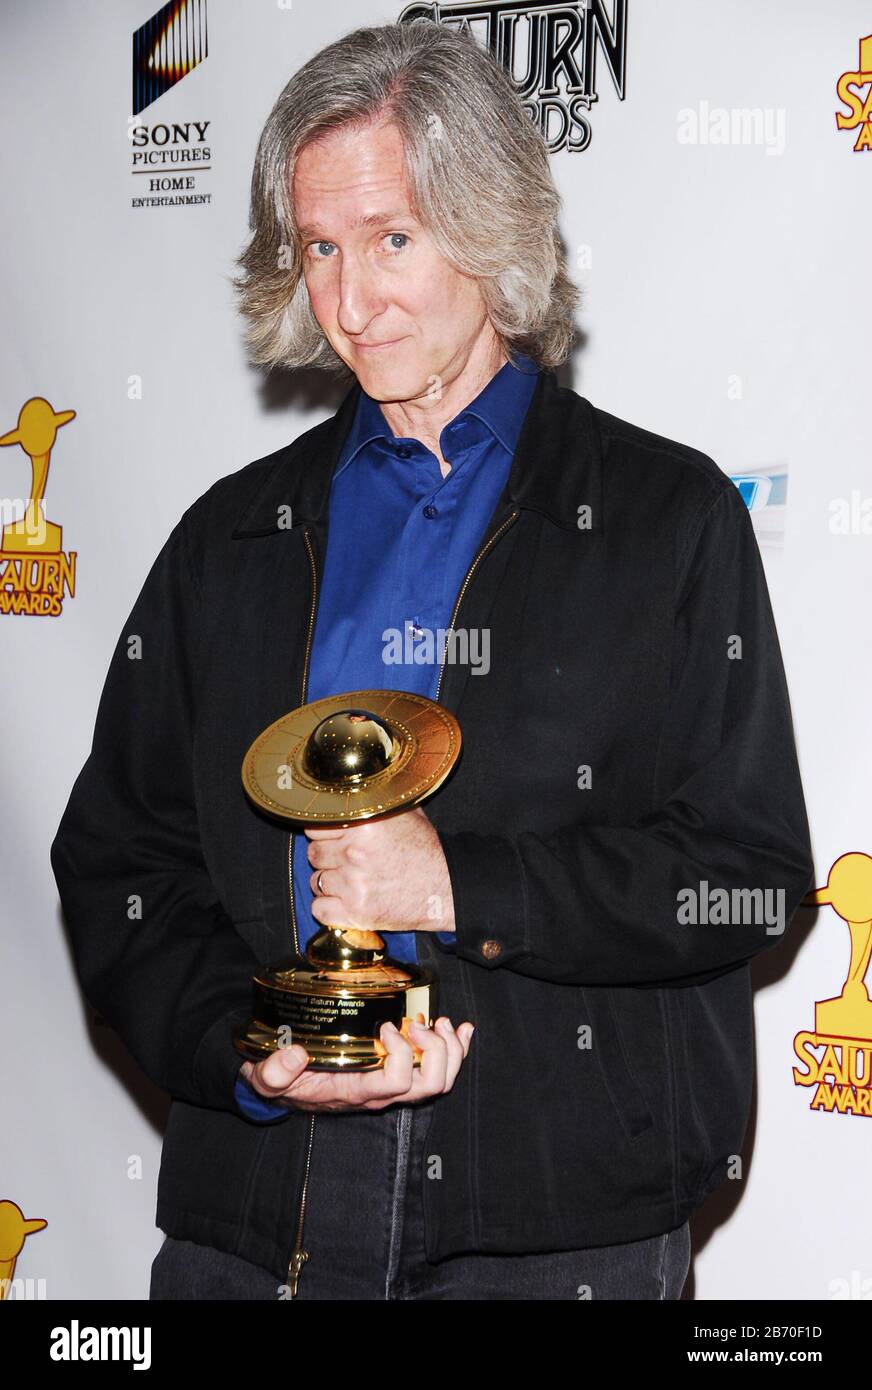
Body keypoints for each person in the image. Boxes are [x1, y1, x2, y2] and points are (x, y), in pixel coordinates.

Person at [50, 20, 814, 1301]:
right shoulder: (227, 538)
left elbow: (745, 880)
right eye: (322, 248)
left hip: (553, 1233)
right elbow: (116, 860)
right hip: (257, 1220)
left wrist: (461, 886)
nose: (351, 303)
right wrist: (245, 1049)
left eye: (392, 239)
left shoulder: (664, 519)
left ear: (490, 224)